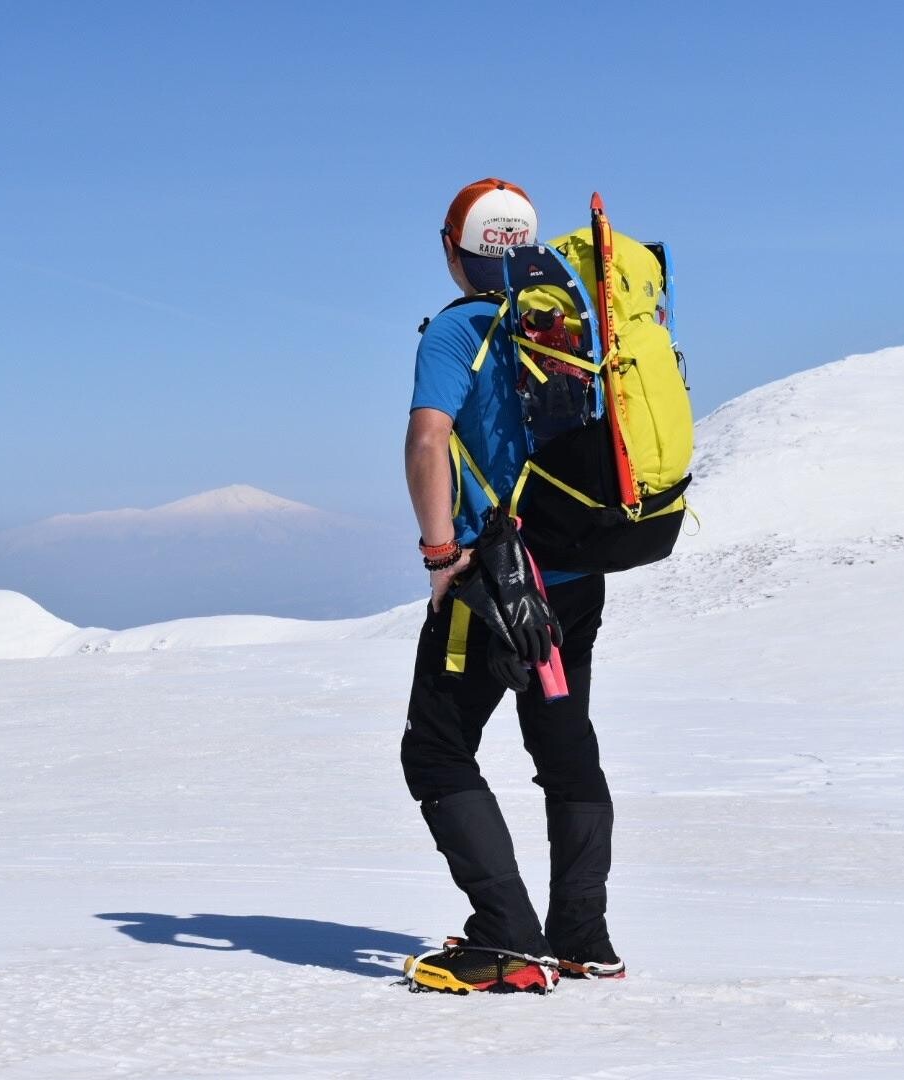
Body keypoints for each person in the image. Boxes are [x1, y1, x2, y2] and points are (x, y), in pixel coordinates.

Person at [400, 178, 623, 995]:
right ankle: (582, 938)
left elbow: (429, 441)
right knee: (565, 749)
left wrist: (437, 556)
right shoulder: (575, 321)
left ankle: (506, 936)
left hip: (488, 581)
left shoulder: (460, 330)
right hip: (574, 573)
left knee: (435, 748)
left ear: (452, 249)